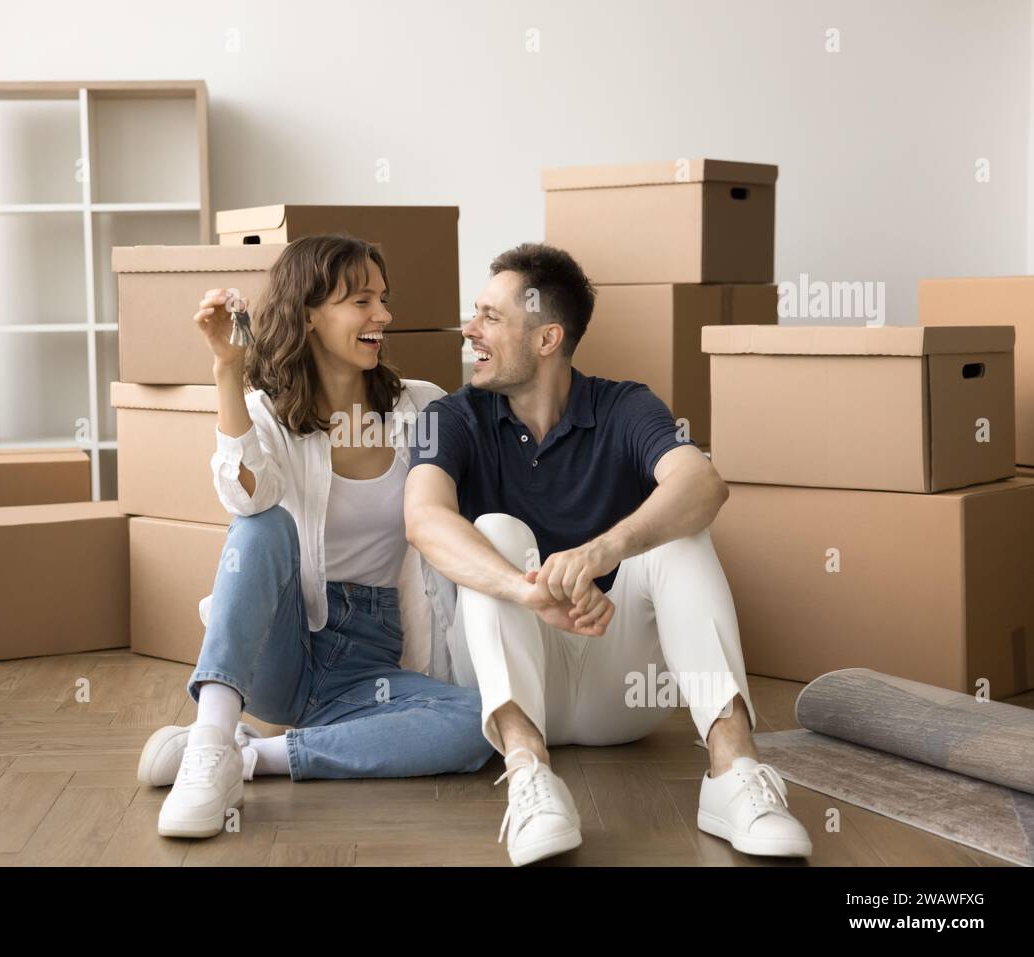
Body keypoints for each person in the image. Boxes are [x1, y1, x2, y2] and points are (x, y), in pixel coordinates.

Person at [404, 242, 814, 866]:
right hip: (505, 681)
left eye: (489, 316)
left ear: (546, 338)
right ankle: (529, 776)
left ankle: (735, 775)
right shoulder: (452, 416)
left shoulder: (626, 405)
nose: (469, 329)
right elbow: (424, 520)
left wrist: (604, 550)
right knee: (492, 528)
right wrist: (526, 589)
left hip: (618, 693)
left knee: (683, 533)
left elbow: (703, 484)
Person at [142, 234, 495, 839]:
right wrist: (229, 370)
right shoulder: (269, 414)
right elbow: (247, 496)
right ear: (309, 313)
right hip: (289, 643)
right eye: (361, 300)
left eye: (383, 299)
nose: (382, 315)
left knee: (478, 725)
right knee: (263, 522)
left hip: (374, 658)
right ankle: (208, 744)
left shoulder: (421, 408)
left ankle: (247, 755)